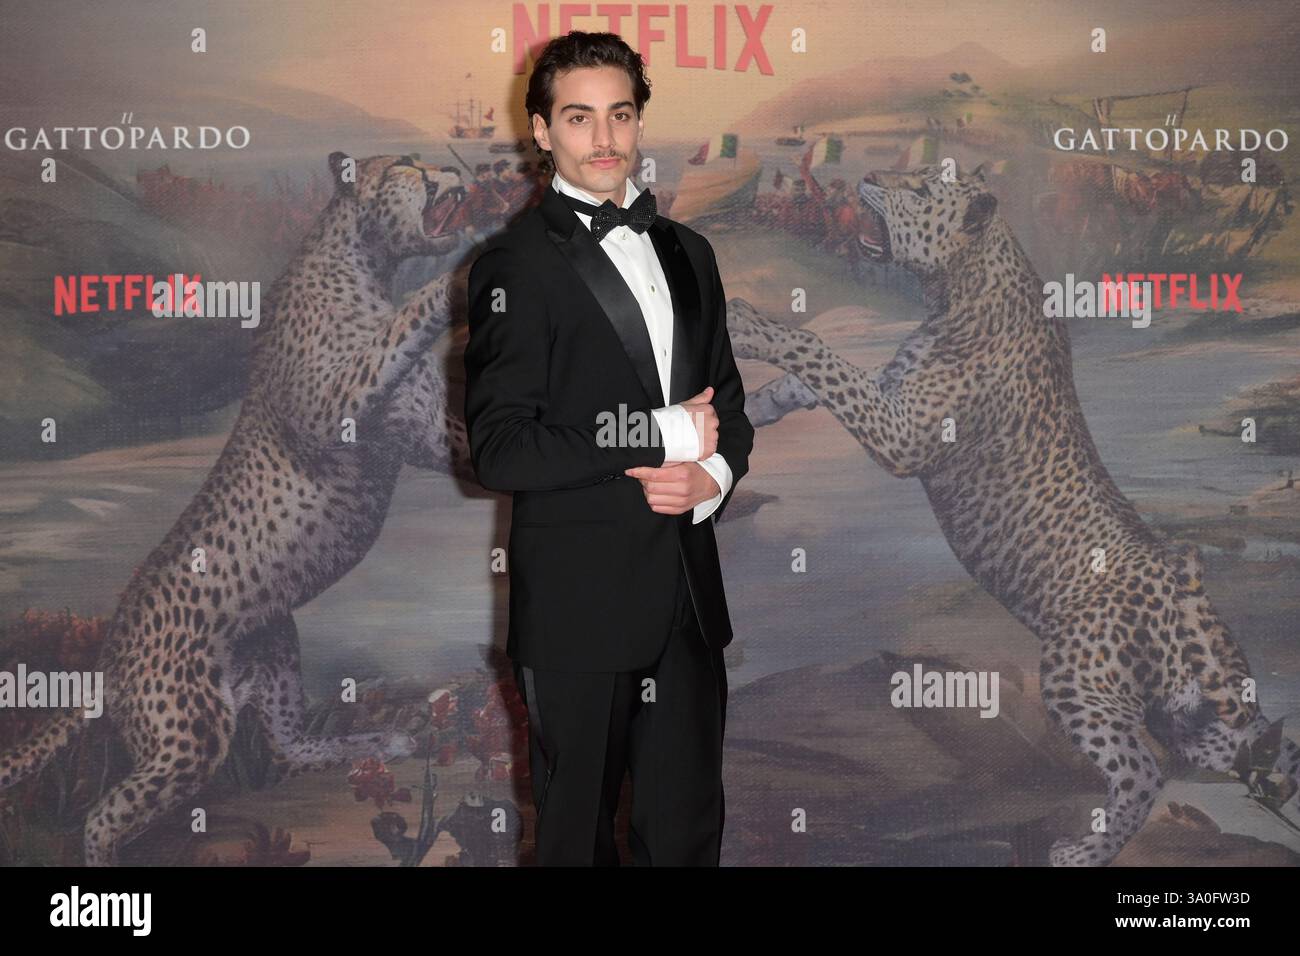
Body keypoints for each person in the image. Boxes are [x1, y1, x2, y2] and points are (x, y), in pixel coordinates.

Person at [463, 29, 754, 866]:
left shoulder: (690, 254)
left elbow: (727, 414)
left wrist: (708, 477)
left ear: (639, 123)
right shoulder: (512, 263)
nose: (605, 140)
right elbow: (503, 449)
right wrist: (658, 433)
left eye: (620, 116)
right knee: (574, 844)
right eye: (579, 117)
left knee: (687, 839)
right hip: (577, 613)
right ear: (541, 131)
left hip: (689, 606)